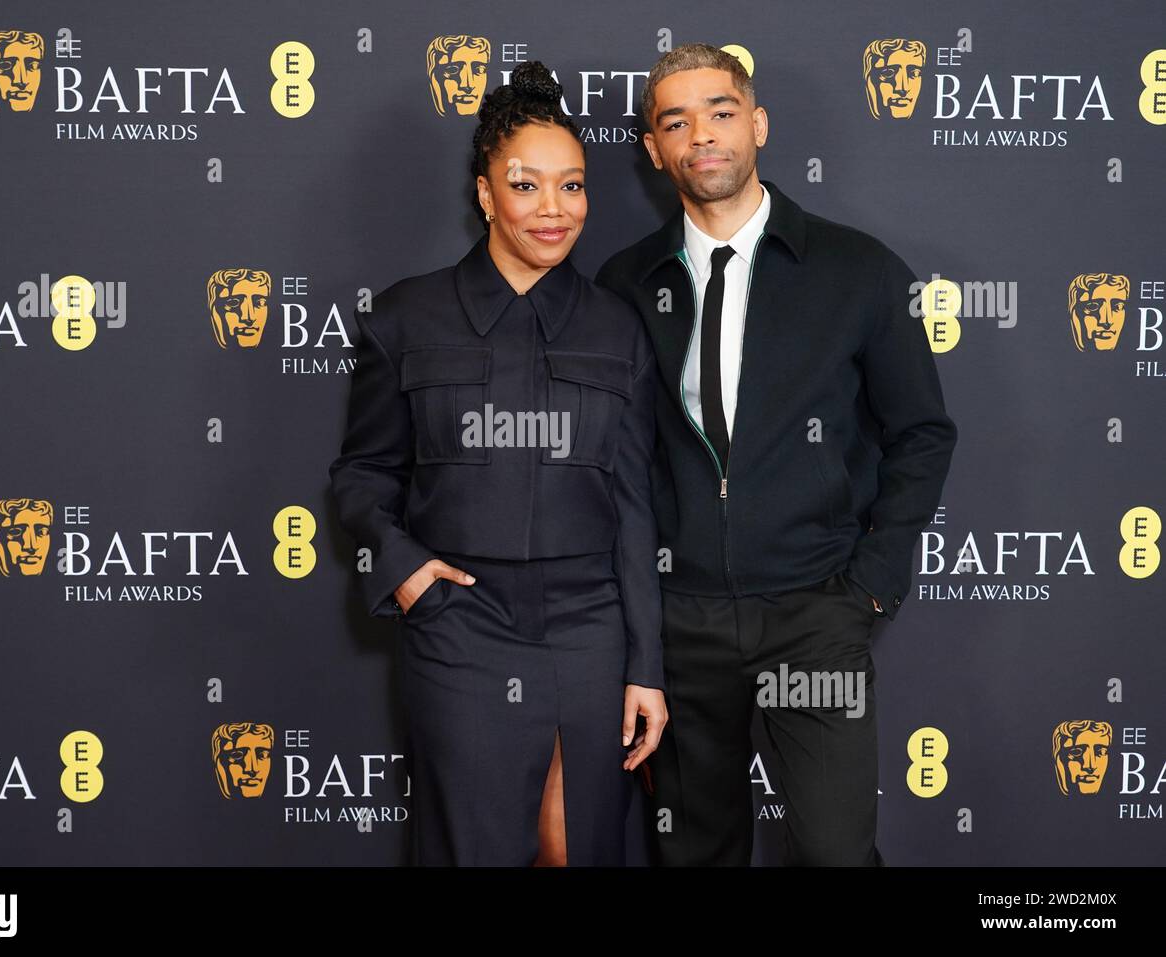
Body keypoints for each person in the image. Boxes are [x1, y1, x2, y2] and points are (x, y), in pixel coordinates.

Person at [595, 43, 957, 865]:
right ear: (654, 149)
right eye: (675, 121)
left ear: (757, 124)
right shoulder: (624, 283)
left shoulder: (856, 269)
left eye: (721, 112)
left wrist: (868, 586)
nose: (702, 136)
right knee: (694, 851)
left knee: (834, 851)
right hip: (679, 619)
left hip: (815, 613)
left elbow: (923, 432)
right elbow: (615, 461)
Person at [329, 61, 668, 866]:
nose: (554, 210)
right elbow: (362, 474)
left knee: (574, 842)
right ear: (485, 193)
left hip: (591, 623)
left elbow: (634, 505)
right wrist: (409, 572)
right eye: (527, 186)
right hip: (463, 625)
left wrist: (646, 664)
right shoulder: (406, 317)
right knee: (473, 846)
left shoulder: (618, 328)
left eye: (573, 187)